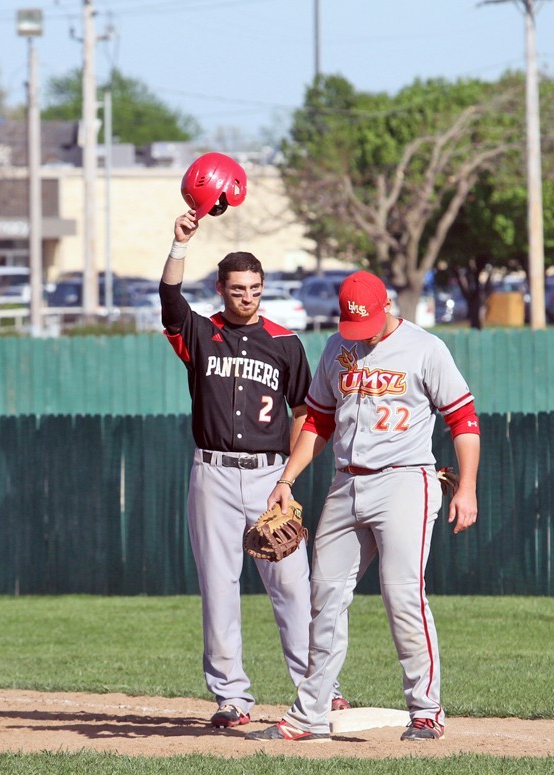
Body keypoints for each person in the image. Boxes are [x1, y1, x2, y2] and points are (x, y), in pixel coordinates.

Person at [246, 270, 480, 743]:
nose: (361, 330)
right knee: (324, 597)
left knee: (402, 595)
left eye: (368, 320)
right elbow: (318, 419)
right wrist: (286, 479)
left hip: (404, 482)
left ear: (387, 305)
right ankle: (310, 714)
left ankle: (426, 710)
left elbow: (463, 419)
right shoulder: (337, 347)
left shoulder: (425, 348)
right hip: (345, 482)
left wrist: (467, 487)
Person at [159, 208, 348, 728]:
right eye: (238, 288)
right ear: (221, 288)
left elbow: (306, 412)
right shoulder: (201, 334)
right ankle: (232, 698)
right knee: (219, 585)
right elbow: (170, 302)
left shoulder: (286, 343)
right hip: (213, 473)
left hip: (269, 476)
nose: (248, 296)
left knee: (292, 583)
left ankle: (318, 689)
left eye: (256, 288)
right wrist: (179, 245)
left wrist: (288, 477)